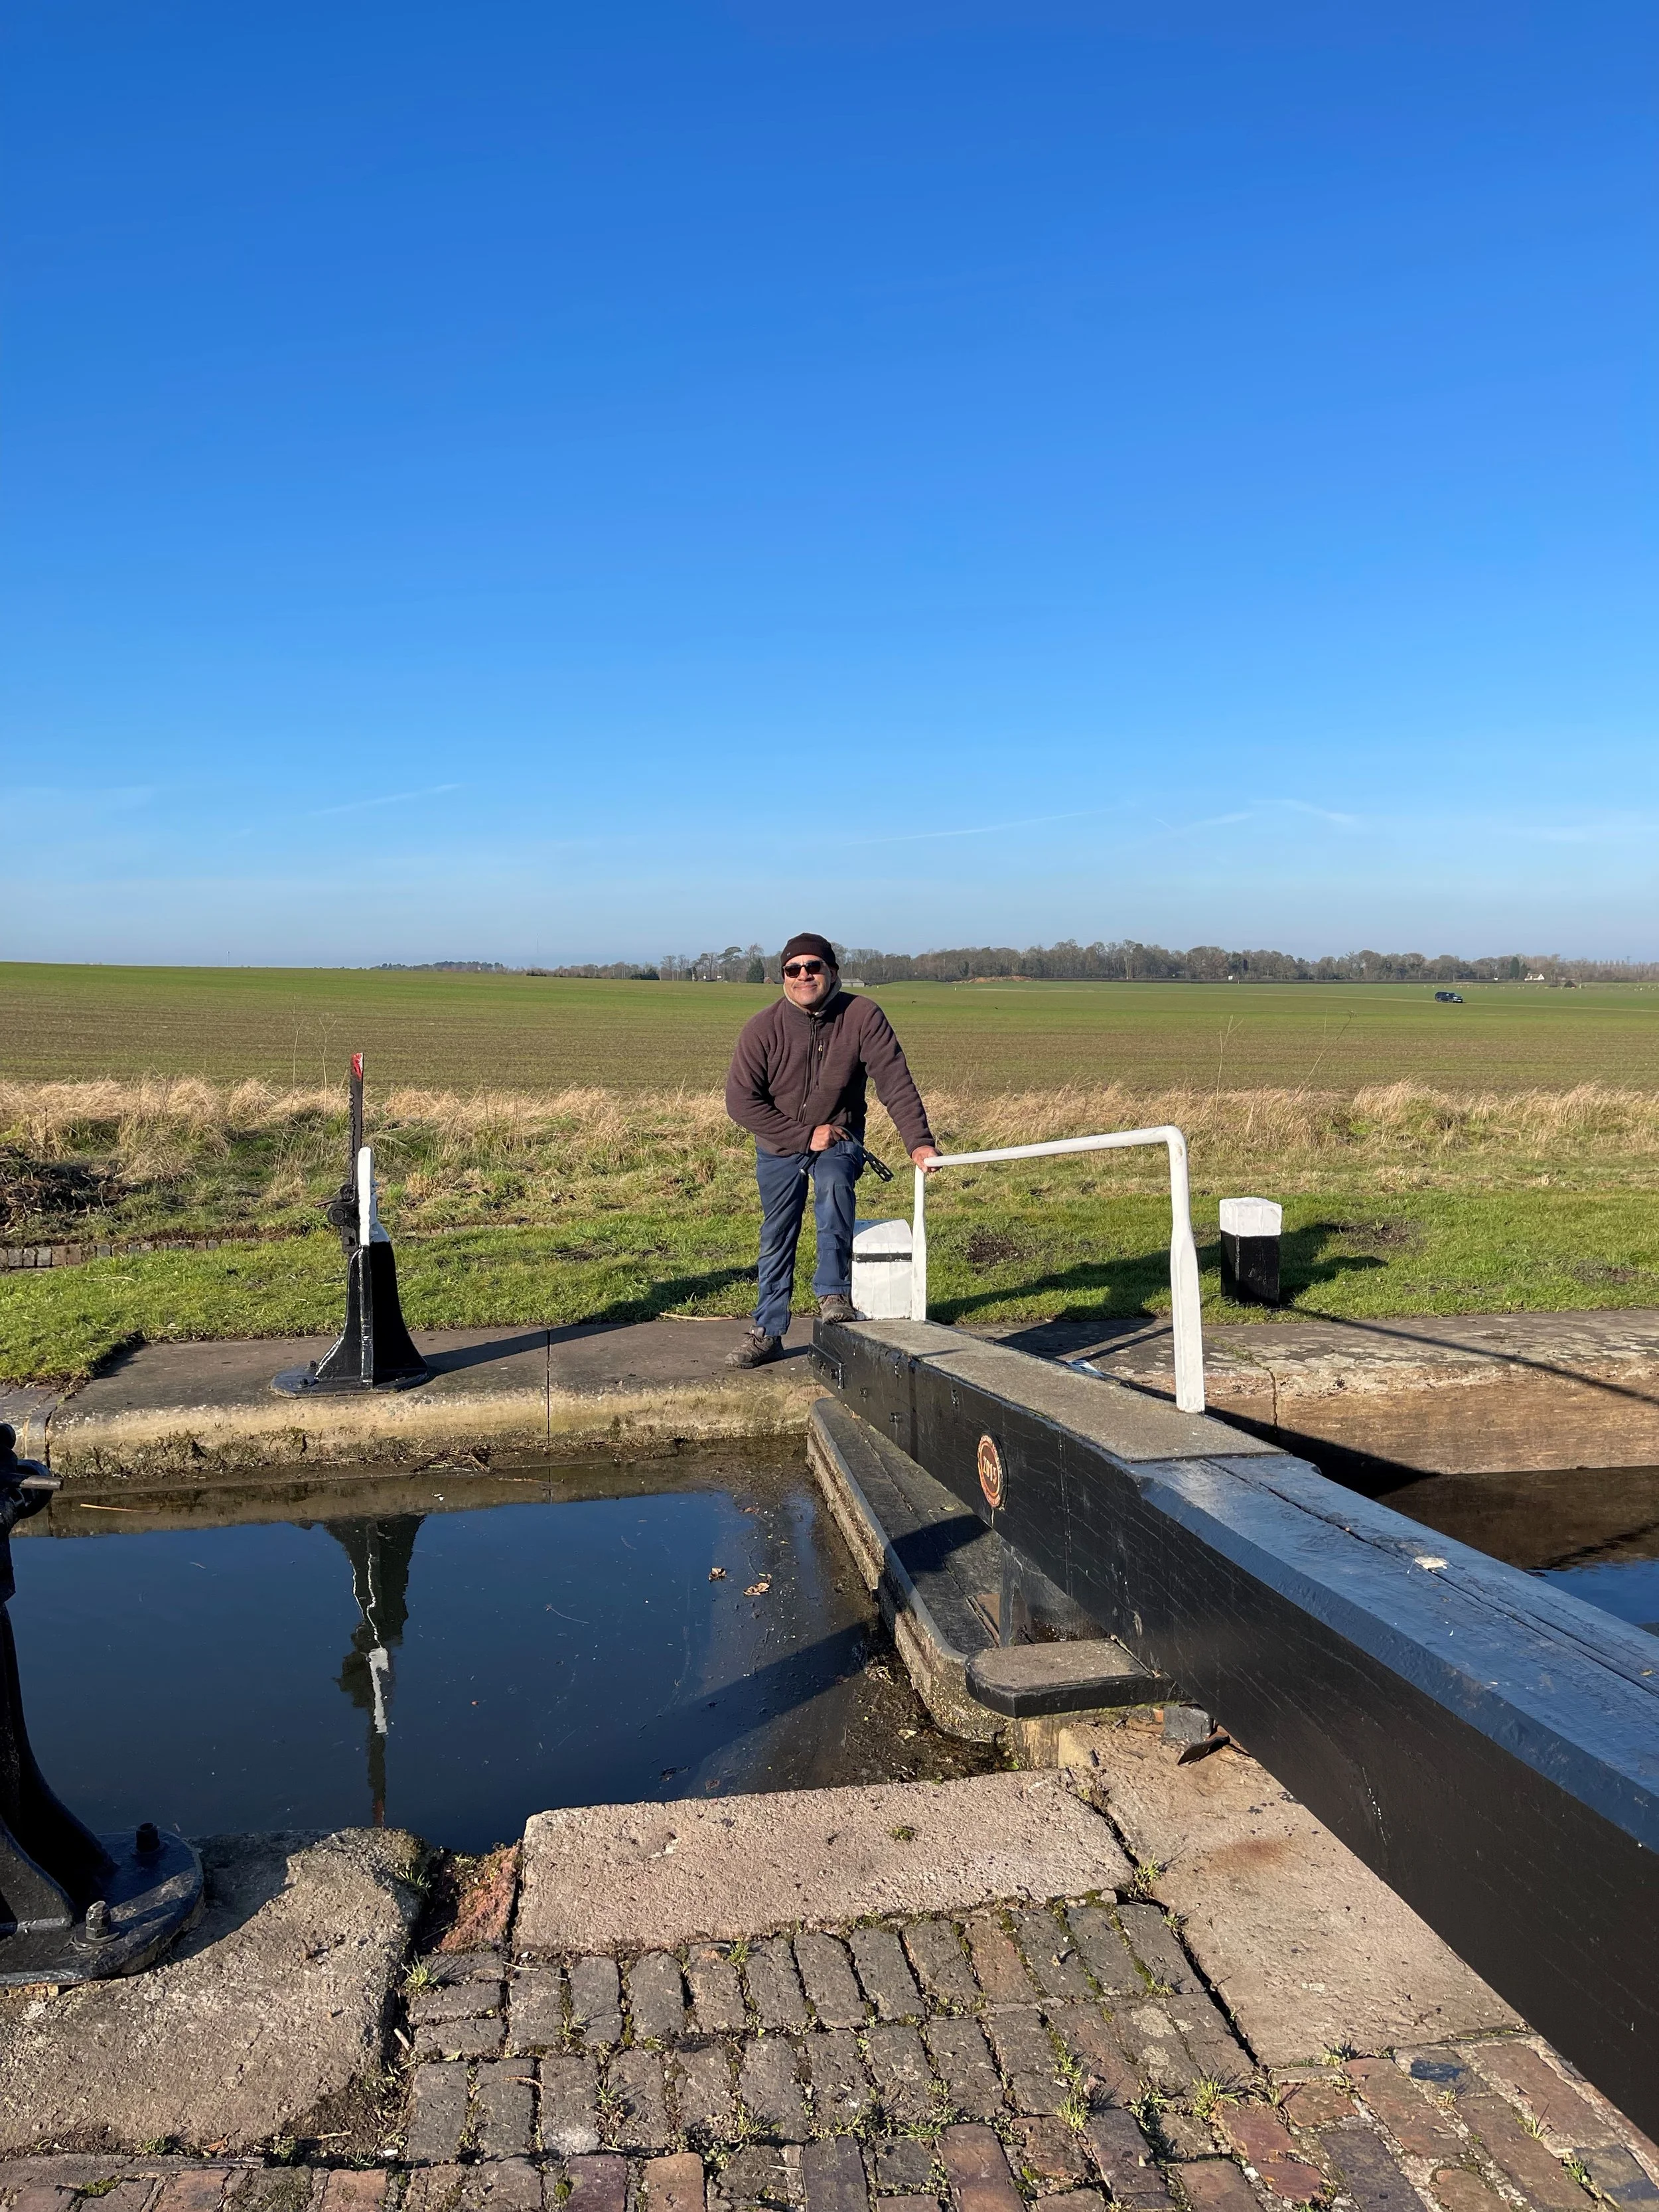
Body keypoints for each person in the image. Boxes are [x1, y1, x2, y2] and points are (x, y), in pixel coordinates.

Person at [724, 932, 942, 1367]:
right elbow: (741, 1102)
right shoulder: (762, 1028)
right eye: (793, 969)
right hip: (779, 1142)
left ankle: (833, 1296)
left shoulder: (862, 1016)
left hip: (840, 1137)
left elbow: (895, 1082)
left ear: (832, 971)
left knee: (835, 1187)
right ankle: (768, 1331)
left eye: (813, 966)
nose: (804, 975)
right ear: (783, 978)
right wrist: (803, 1136)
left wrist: (918, 1142)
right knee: (777, 1232)